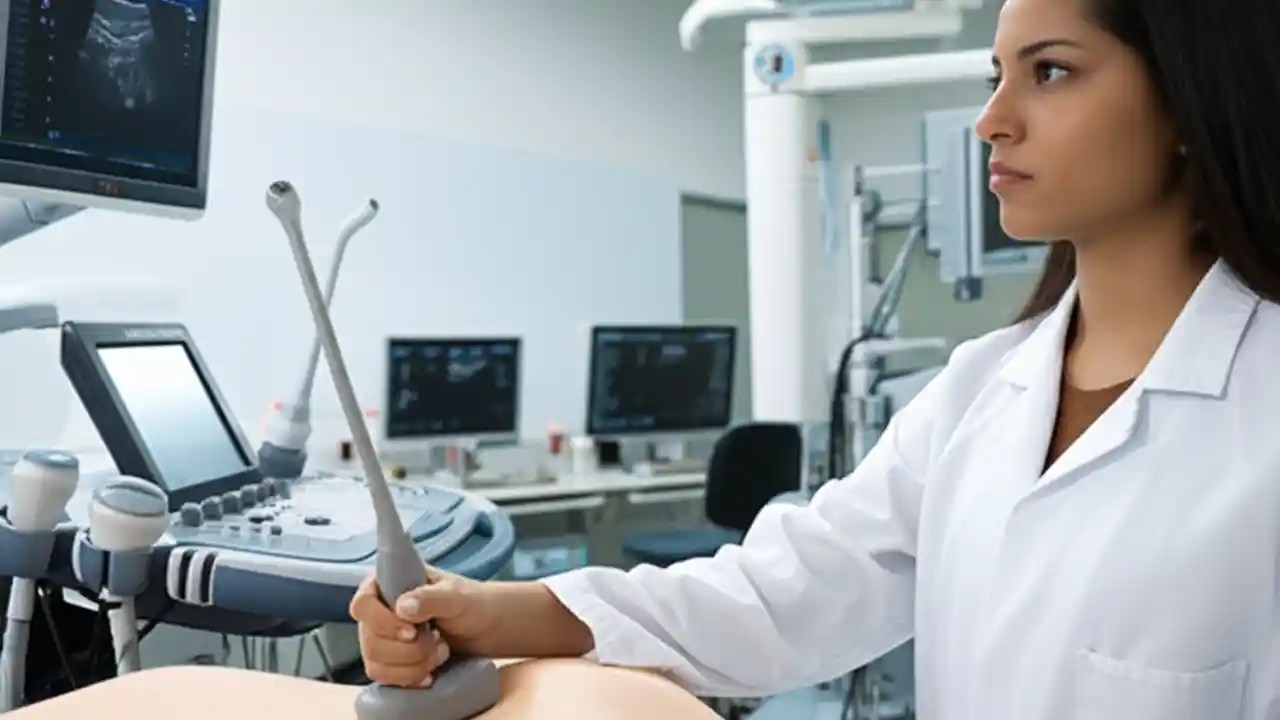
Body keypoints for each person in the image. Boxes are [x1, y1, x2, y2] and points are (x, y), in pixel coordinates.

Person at [353, 0, 1280, 717]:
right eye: (998, 75)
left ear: (1186, 102)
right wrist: (495, 610)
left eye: (1050, 72)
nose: (991, 120)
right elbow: (780, 594)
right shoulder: (975, 395)